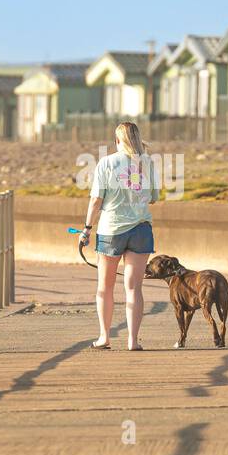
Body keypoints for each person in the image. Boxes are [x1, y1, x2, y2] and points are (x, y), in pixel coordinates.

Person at [80, 121, 160, 350]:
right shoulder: (148, 163)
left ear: (117, 140)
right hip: (141, 229)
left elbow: (96, 199)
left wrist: (87, 228)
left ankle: (105, 337)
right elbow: (153, 197)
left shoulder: (106, 163)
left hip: (111, 229)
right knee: (134, 288)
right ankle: (133, 341)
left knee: (105, 288)